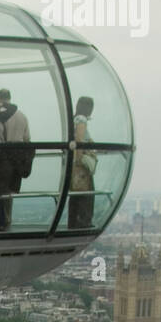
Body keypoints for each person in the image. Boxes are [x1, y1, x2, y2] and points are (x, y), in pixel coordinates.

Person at [0, 88, 32, 230]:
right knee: (11, 189)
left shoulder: (0, 115)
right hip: (19, 155)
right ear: (10, 97)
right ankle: (8, 218)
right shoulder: (22, 116)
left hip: (5, 155)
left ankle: (1, 219)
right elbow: (27, 138)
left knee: (0, 188)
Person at [68, 95, 97, 229]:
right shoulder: (81, 119)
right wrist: (80, 158)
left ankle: (74, 222)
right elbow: (79, 139)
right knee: (86, 193)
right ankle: (83, 222)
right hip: (80, 163)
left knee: (76, 192)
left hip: (74, 161)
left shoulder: (74, 119)